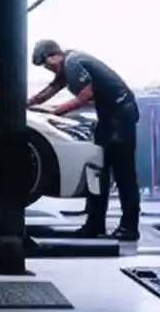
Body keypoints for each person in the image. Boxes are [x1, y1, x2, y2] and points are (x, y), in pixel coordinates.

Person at [27, 40, 141, 242]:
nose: (49, 69)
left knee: (124, 173)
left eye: (48, 64)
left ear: (55, 55)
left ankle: (129, 228)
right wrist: (29, 103)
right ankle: (95, 225)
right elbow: (52, 88)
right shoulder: (66, 67)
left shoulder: (73, 61)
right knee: (98, 171)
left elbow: (85, 95)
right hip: (108, 116)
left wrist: (55, 112)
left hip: (121, 114)